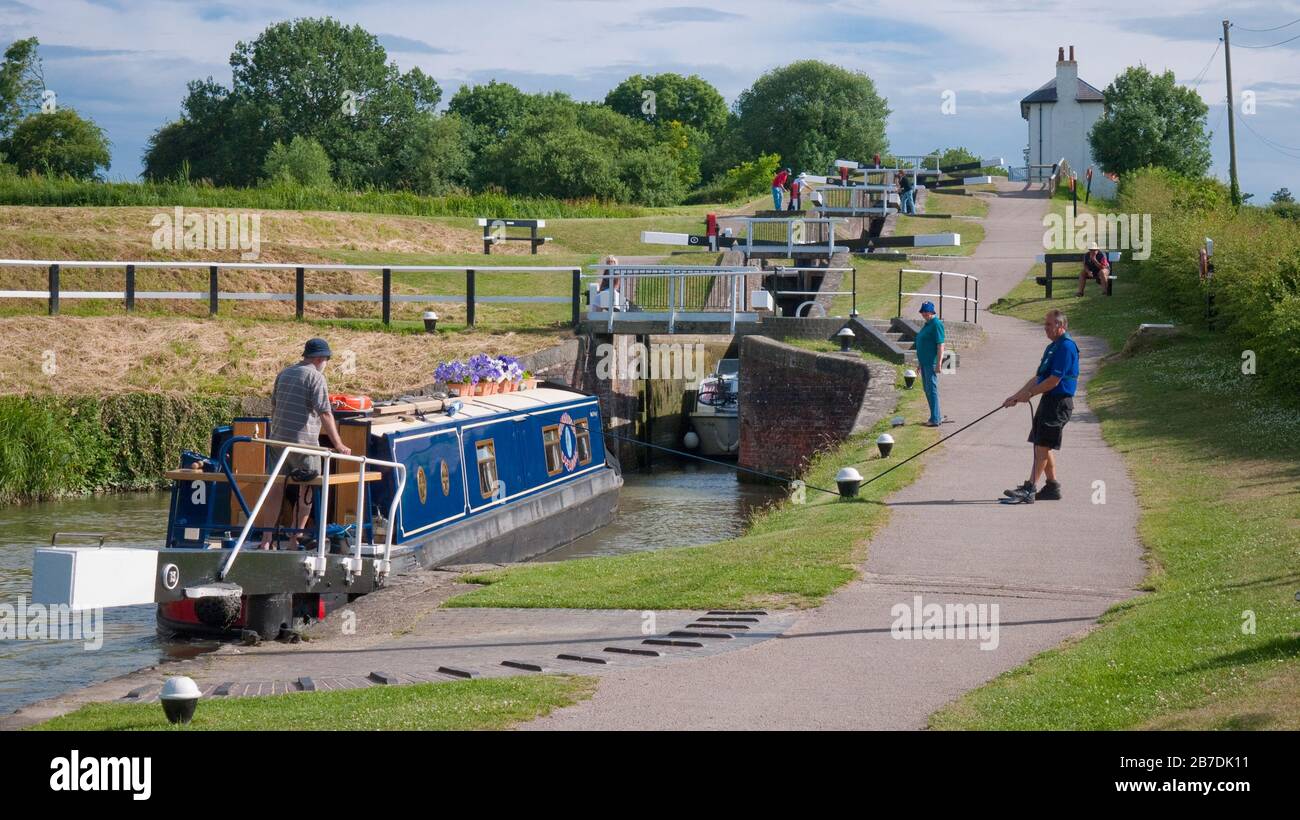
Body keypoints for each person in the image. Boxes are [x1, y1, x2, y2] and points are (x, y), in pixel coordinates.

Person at [256, 338, 351, 548]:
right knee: (307, 488)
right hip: (304, 444)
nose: (326, 364)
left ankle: (266, 540)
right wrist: (339, 444)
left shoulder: (284, 374)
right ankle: (294, 538)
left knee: (275, 489)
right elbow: (325, 413)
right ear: (319, 358)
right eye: (326, 360)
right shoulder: (315, 377)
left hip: (277, 441)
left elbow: (274, 406)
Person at [1002, 309, 1080, 503]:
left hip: (1059, 402)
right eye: (1045, 324)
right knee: (1041, 444)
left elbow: (1054, 380)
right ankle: (1052, 487)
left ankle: (1030, 489)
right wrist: (1016, 396)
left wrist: (1029, 394)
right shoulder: (1052, 347)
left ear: (1061, 326)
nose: (1045, 328)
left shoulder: (1066, 347)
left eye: (1049, 325)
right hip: (1049, 401)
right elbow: (1039, 377)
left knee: (1042, 446)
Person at [914, 301, 946, 427]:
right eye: (923, 311)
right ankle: (936, 415)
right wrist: (920, 363)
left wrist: (938, 363)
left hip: (931, 363)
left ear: (932, 312)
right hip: (925, 362)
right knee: (927, 389)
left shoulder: (936, 324)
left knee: (931, 390)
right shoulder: (927, 324)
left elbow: (940, 344)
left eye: (927, 312)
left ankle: (935, 419)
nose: (924, 314)